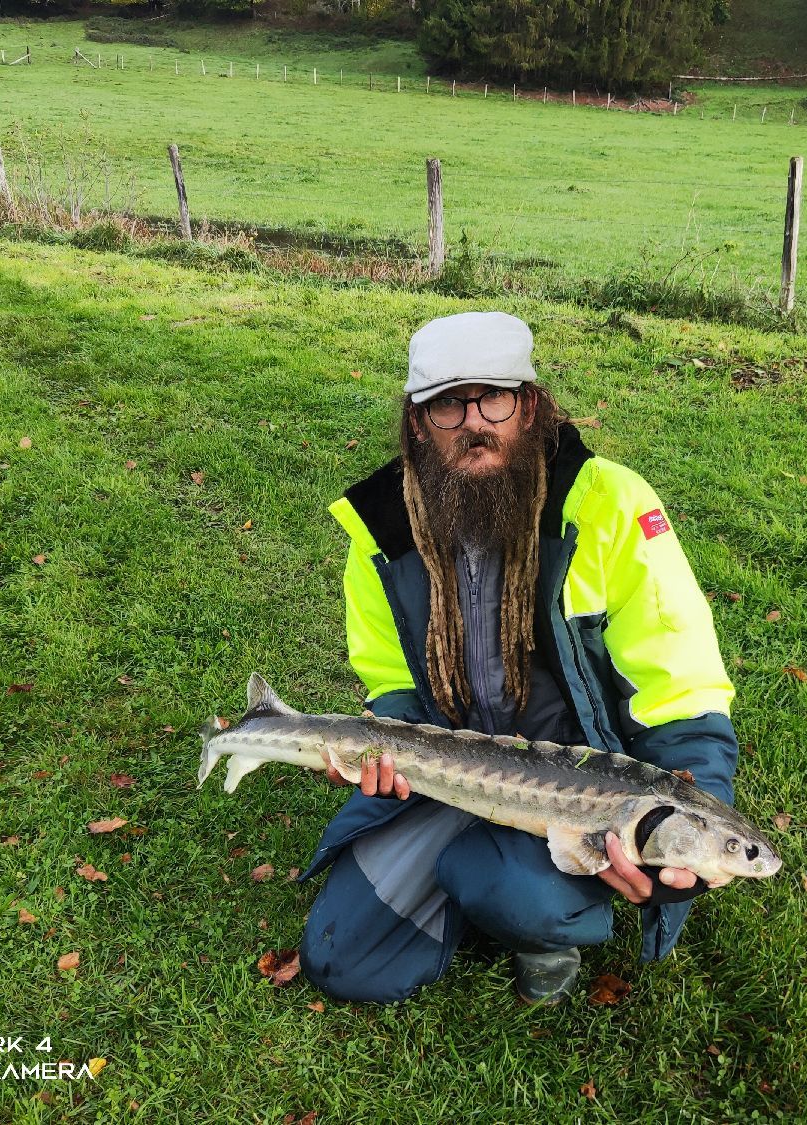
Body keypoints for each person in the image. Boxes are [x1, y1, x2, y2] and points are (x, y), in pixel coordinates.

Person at [298, 311, 738, 1005]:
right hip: (454, 767)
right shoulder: (380, 531)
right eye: (448, 402)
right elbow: (393, 688)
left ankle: (540, 927)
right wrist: (379, 755)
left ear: (529, 405)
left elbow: (680, 691)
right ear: (417, 423)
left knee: (501, 882)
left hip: (584, 785)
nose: (475, 422)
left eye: (493, 397)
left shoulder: (611, 505)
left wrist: (688, 825)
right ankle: (484, 875)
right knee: (343, 960)